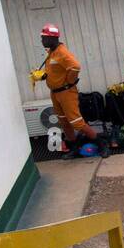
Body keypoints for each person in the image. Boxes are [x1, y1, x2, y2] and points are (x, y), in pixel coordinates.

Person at [36, 24, 99, 156]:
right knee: (64, 121)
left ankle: (101, 143)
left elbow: (75, 67)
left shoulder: (62, 52)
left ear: (52, 38)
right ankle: (73, 147)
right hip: (55, 93)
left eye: (44, 38)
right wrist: (44, 76)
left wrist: (69, 82)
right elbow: (57, 70)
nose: (42, 41)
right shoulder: (51, 52)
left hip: (66, 93)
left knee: (76, 122)